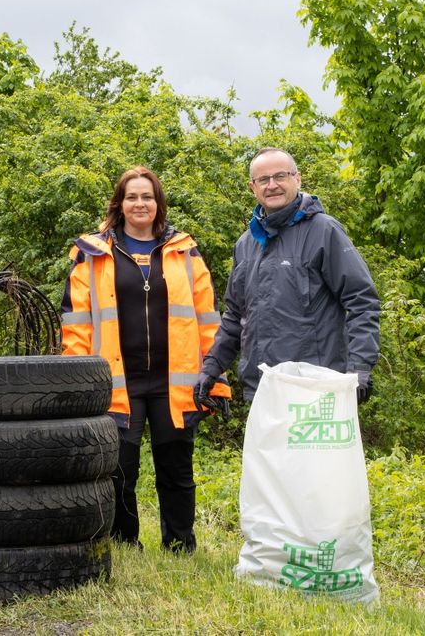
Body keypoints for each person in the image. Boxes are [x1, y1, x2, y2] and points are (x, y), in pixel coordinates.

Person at [61, 166, 230, 553]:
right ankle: (124, 542)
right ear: (120, 204)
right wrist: (77, 382)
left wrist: (214, 377)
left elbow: (209, 320)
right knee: (120, 468)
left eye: (147, 197)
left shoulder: (185, 251)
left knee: (176, 469)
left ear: (158, 204)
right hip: (118, 381)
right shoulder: (91, 252)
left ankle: (180, 544)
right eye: (132, 196)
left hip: (175, 381)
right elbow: (76, 324)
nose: (140, 203)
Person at [197, 147, 379, 405]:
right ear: (253, 187)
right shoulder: (246, 244)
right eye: (263, 180)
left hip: (316, 390)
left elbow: (362, 301)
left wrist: (360, 367)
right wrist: (211, 367)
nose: (272, 185)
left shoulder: (324, 231)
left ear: (297, 178)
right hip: (262, 391)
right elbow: (235, 316)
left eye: (280, 176)